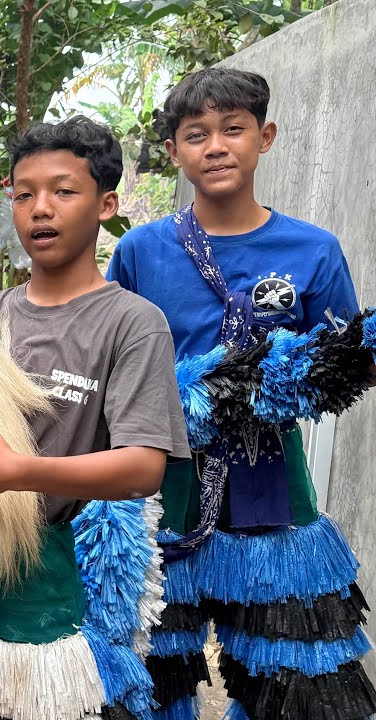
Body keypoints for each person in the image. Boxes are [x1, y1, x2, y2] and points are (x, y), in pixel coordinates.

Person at [106, 67, 374, 720]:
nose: (217, 146)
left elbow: (340, 365)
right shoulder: (141, 251)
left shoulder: (313, 250)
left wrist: (266, 389)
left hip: (275, 494)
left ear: (266, 137)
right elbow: (115, 366)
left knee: (301, 687)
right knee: (147, 680)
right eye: (196, 134)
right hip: (159, 492)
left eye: (234, 129)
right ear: (174, 152)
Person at [0, 116, 190, 719]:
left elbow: (142, 468)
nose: (41, 209)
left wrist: (16, 471)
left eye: (63, 192)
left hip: (52, 579)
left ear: (106, 204)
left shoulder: (133, 323)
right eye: (23, 194)